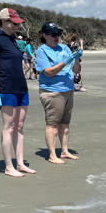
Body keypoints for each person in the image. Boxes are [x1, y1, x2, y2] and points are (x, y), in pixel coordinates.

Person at [0, 8, 36, 177]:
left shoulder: (11, 38)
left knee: (19, 126)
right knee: (9, 127)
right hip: (6, 87)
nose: (16, 27)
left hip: (21, 86)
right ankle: (8, 166)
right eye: (14, 24)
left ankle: (20, 163)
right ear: (4, 22)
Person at [36, 22, 81, 163]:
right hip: (52, 92)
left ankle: (64, 151)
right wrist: (66, 61)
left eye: (58, 34)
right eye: (53, 34)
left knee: (65, 124)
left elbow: (76, 70)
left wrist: (77, 58)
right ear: (44, 35)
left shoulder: (64, 48)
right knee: (52, 124)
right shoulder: (42, 51)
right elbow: (48, 72)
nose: (57, 37)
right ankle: (52, 155)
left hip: (68, 90)